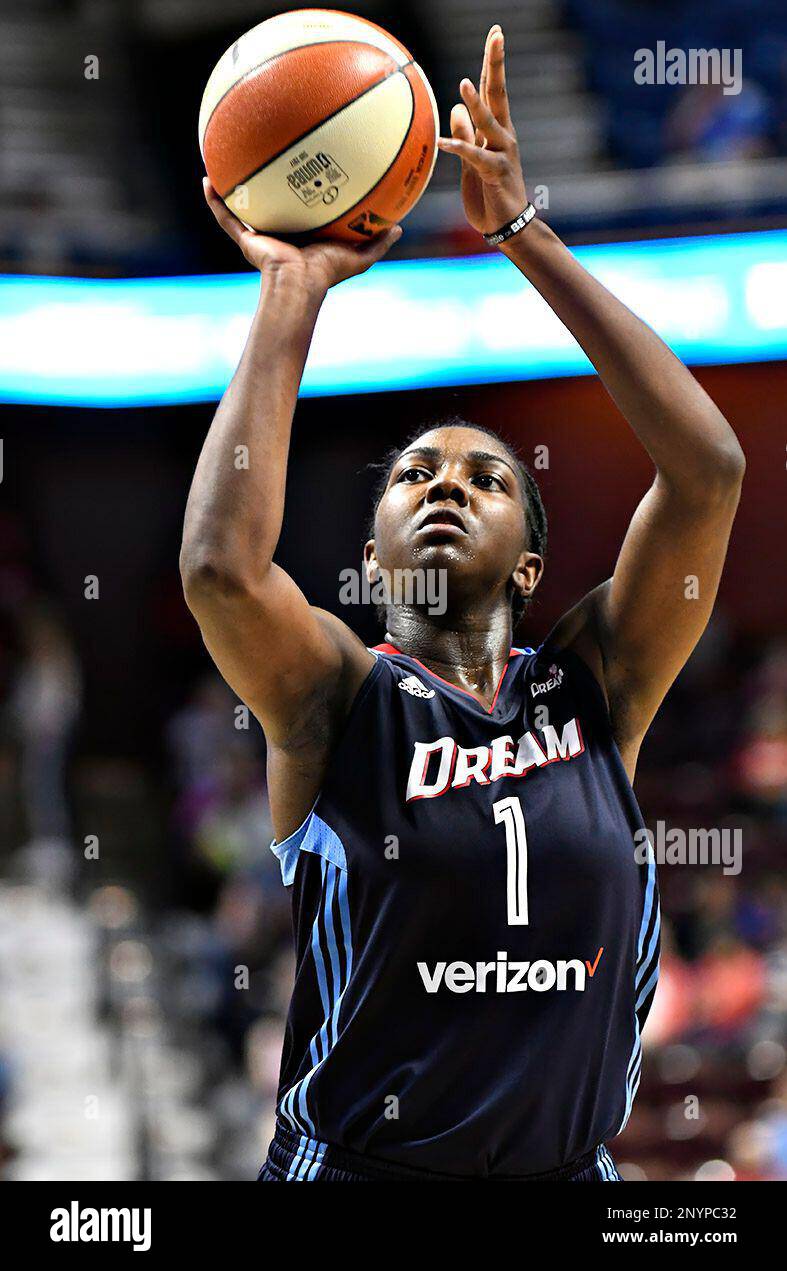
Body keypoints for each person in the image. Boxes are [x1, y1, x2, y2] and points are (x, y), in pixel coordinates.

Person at [180, 25, 744, 1181]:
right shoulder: (336, 698)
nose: (445, 484)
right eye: (413, 476)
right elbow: (220, 570)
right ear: (376, 560)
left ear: (531, 568)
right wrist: (291, 286)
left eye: (488, 478)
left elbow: (708, 471)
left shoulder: (597, 682)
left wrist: (522, 233)